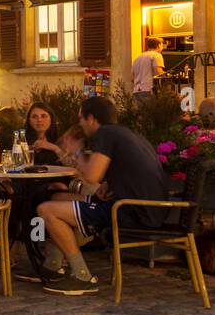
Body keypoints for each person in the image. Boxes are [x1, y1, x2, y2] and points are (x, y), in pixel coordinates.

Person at [35, 96, 170, 296]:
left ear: (91, 118)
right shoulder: (128, 133)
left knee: (45, 210)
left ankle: (81, 276)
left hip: (130, 211)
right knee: (58, 199)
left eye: (81, 119)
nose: (80, 123)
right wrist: (108, 184)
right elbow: (130, 170)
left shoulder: (104, 133)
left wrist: (76, 150)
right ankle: (53, 264)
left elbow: (90, 176)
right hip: (150, 208)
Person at [131, 37, 165, 101]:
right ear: (159, 45)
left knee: (141, 111)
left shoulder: (137, 58)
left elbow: (132, 78)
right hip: (148, 90)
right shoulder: (157, 55)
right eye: (162, 45)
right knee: (151, 110)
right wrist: (166, 75)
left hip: (136, 92)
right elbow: (158, 73)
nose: (162, 48)